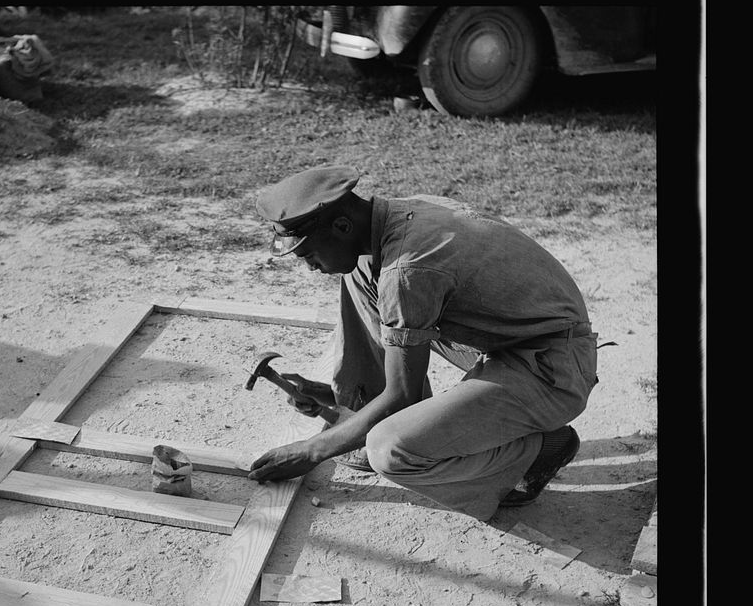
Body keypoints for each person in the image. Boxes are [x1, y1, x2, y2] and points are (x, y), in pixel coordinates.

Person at [247, 166, 598, 522]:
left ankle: (538, 452)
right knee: (359, 272)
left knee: (389, 450)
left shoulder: (407, 269)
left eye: (308, 255)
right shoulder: (397, 215)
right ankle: (364, 412)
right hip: (516, 336)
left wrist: (309, 452)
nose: (309, 267)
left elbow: (402, 395)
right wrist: (332, 396)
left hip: (554, 367)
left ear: (341, 226)